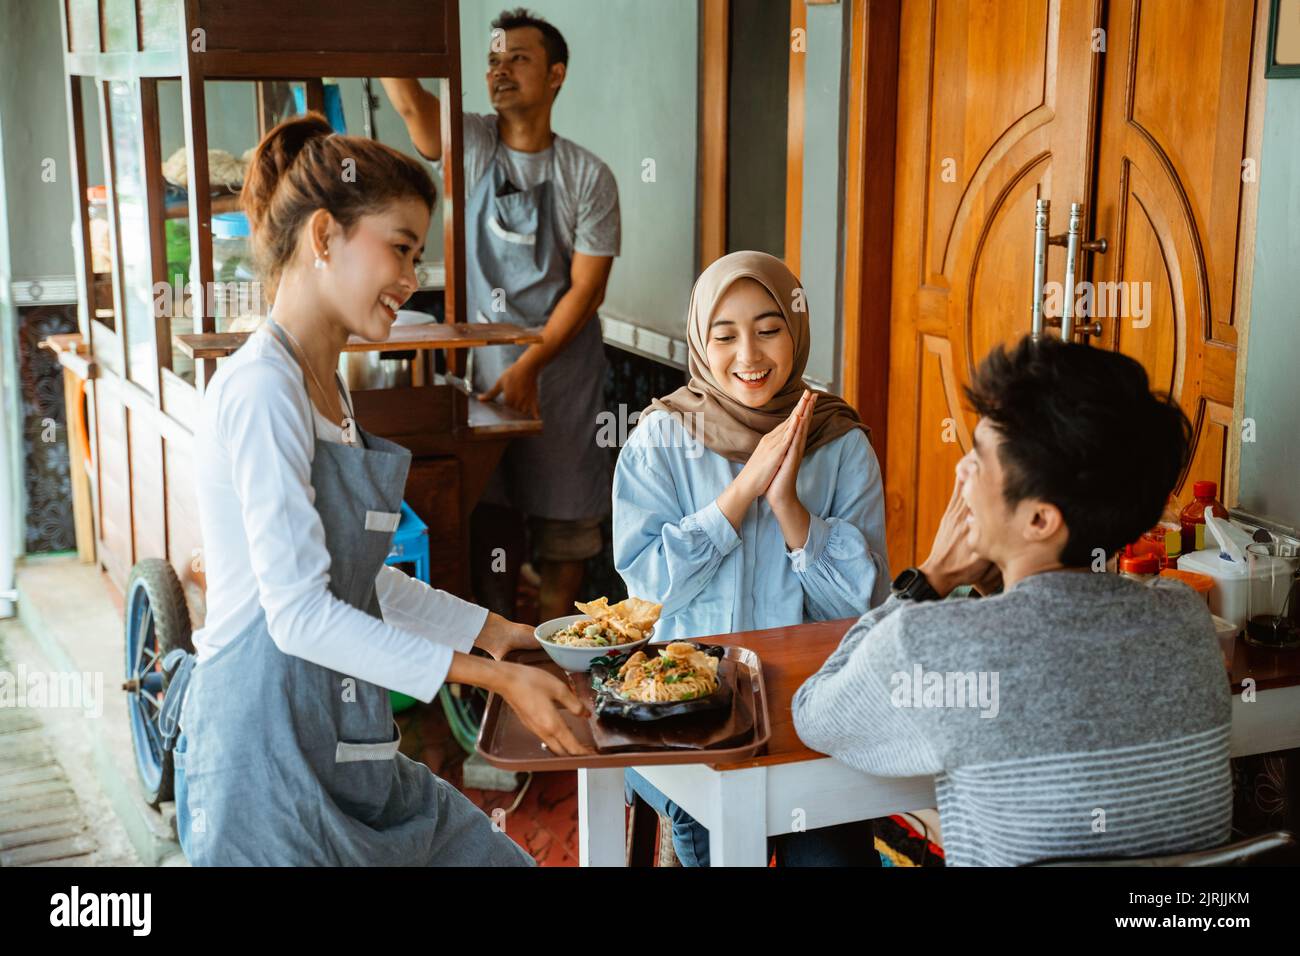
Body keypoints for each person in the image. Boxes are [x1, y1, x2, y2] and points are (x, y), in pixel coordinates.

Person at [174, 114, 590, 866]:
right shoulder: (262, 389)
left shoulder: (325, 386)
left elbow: (357, 585)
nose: (411, 278)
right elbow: (300, 615)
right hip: (264, 764)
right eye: (400, 249)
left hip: (339, 748)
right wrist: (490, 676)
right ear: (325, 237)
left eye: (416, 255)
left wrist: (504, 635)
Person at [793, 335, 1233, 866]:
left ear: (1040, 520)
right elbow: (1057, 640)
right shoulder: (1186, 620)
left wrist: (927, 581)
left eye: (978, 461)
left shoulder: (933, 644)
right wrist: (1002, 581)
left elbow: (817, 715)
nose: (960, 473)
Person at [613, 251, 891, 866]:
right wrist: (738, 497)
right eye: (726, 334)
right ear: (699, 341)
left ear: (796, 334)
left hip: (813, 712)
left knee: (835, 860)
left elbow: (865, 605)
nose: (749, 355)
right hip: (689, 712)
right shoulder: (662, 438)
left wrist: (789, 506)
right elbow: (649, 589)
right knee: (713, 845)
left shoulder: (839, 440)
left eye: (769, 330)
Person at [382, 8, 619, 622]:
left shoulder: (588, 176)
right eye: (492, 59)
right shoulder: (472, 145)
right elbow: (410, 104)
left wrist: (531, 366)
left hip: (562, 379)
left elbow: (586, 290)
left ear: (556, 74)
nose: (500, 70)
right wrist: (384, 24)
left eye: (518, 58)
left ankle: (552, 657)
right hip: (480, 372)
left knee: (565, 530)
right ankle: (502, 659)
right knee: (490, 518)